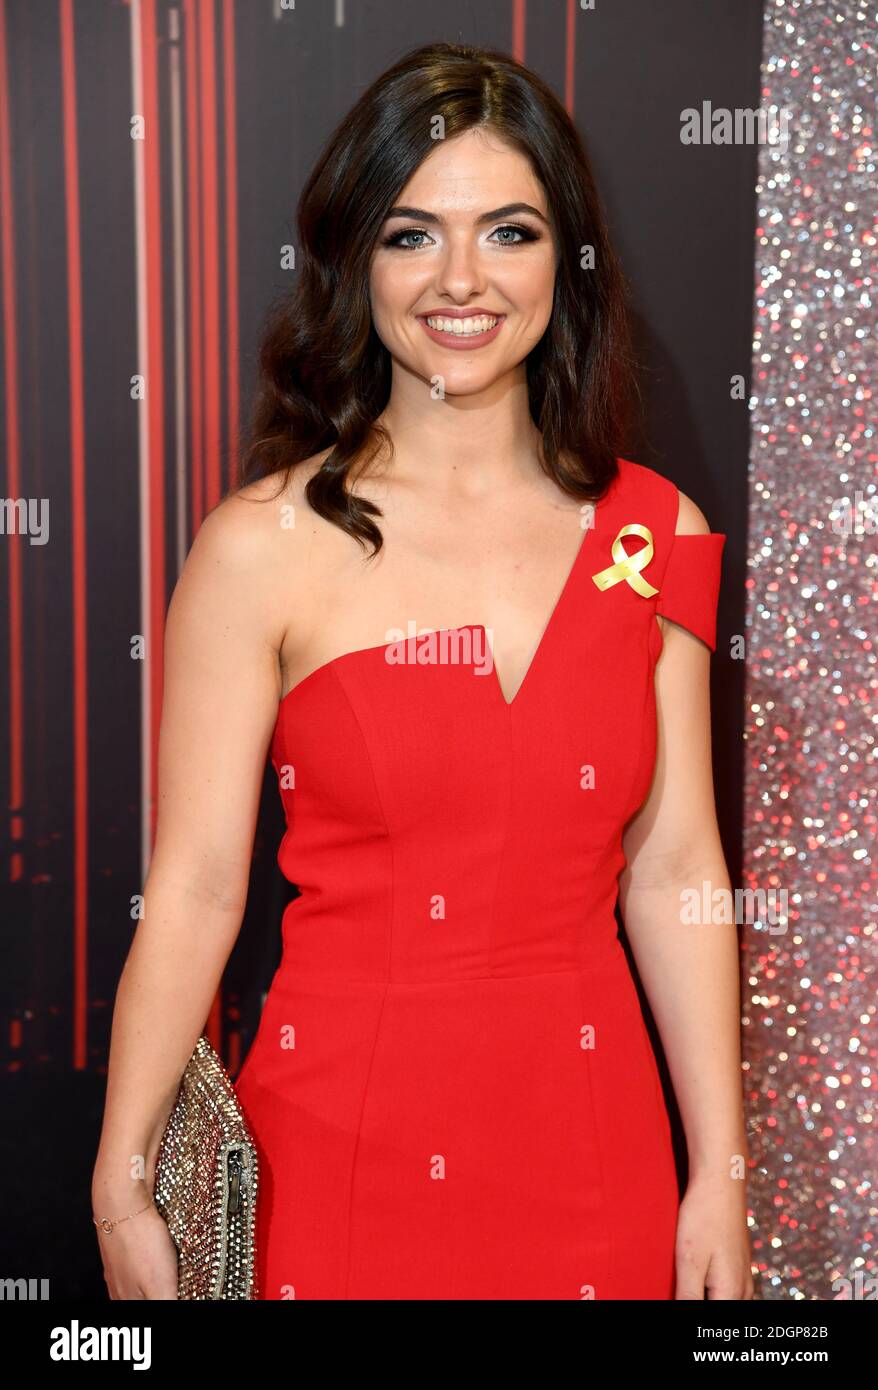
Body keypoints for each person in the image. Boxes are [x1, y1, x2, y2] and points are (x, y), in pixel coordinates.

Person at [92, 41, 753, 1300]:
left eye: (507, 230)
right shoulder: (259, 546)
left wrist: (715, 1167)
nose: (461, 280)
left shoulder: (650, 530)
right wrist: (123, 1173)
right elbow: (193, 886)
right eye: (411, 235)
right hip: (333, 1154)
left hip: (593, 1150)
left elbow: (676, 872)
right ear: (354, 260)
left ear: (566, 258)